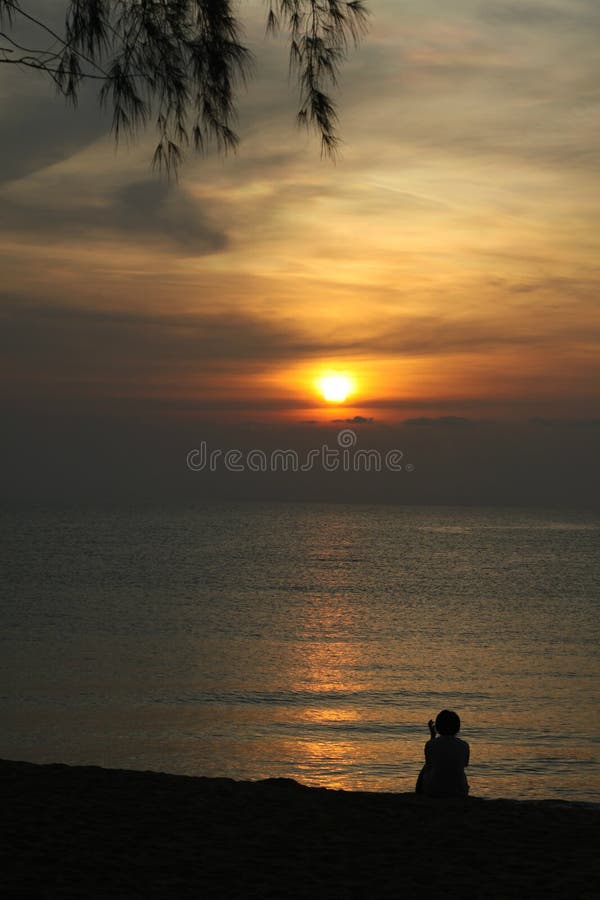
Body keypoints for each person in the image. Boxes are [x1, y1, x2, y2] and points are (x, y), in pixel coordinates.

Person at [415, 709, 469, 797]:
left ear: (437, 727)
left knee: (426, 767)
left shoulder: (430, 744)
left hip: (433, 790)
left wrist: (432, 737)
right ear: (458, 728)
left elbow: (429, 765)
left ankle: (418, 794)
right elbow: (464, 764)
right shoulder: (464, 745)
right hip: (459, 792)